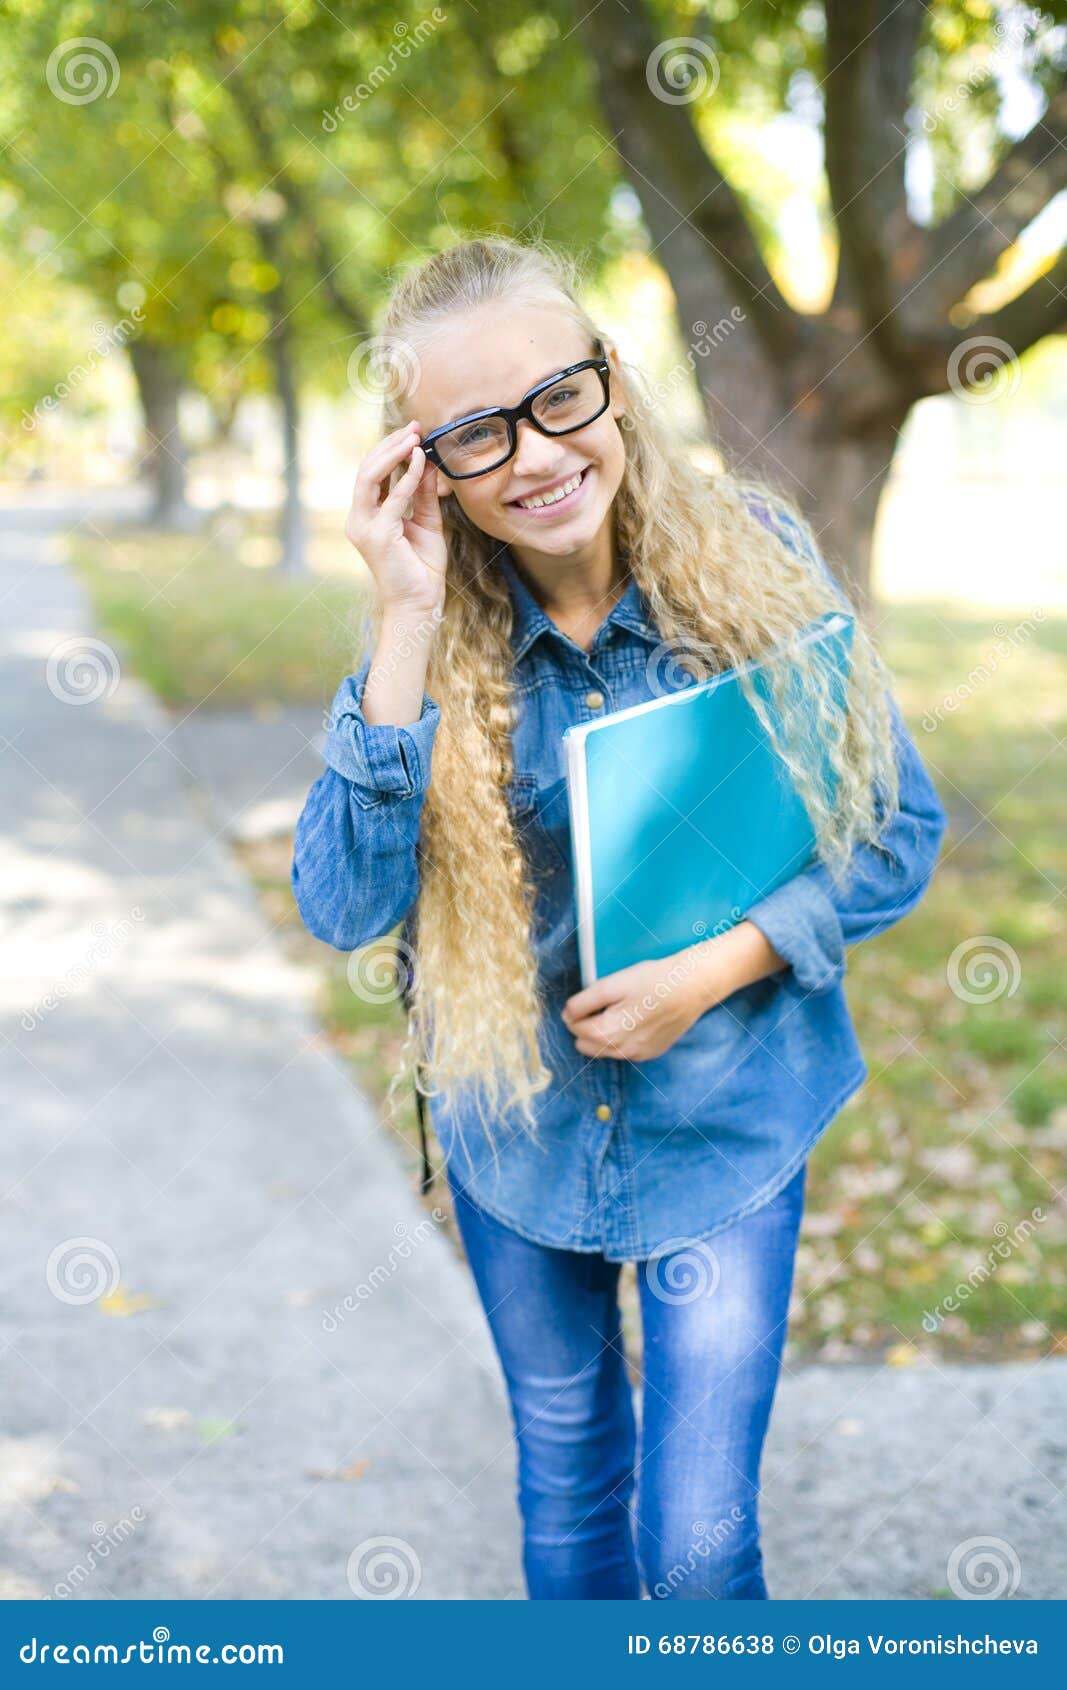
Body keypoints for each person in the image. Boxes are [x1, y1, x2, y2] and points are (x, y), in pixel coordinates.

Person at [290, 235, 948, 1599]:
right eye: (475, 433)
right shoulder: (428, 641)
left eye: (557, 398)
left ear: (612, 384)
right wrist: (400, 622)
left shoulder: (753, 558)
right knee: (571, 1492)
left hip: (726, 1123)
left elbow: (899, 829)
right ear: (425, 467)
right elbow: (344, 903)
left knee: (696, 1543)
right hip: (516, 1139)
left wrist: (712, 970)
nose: (533, 455)